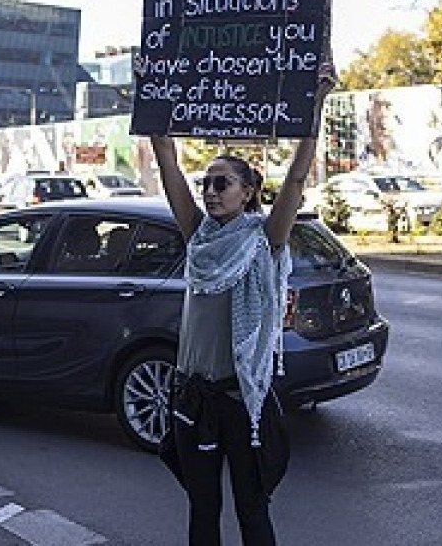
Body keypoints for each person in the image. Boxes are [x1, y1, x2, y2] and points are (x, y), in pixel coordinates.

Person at [151, 63, 336, 546]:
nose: (210, 191)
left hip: (240, 400)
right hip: (194, 396)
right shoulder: (197, 236)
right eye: (207, 183)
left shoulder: (264, 241)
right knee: (202, 508)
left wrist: (315, 102)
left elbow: (295, 181)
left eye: (222, 183)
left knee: (252, 509)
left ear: (248, 191)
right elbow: (166, 158)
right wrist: (150, 86)